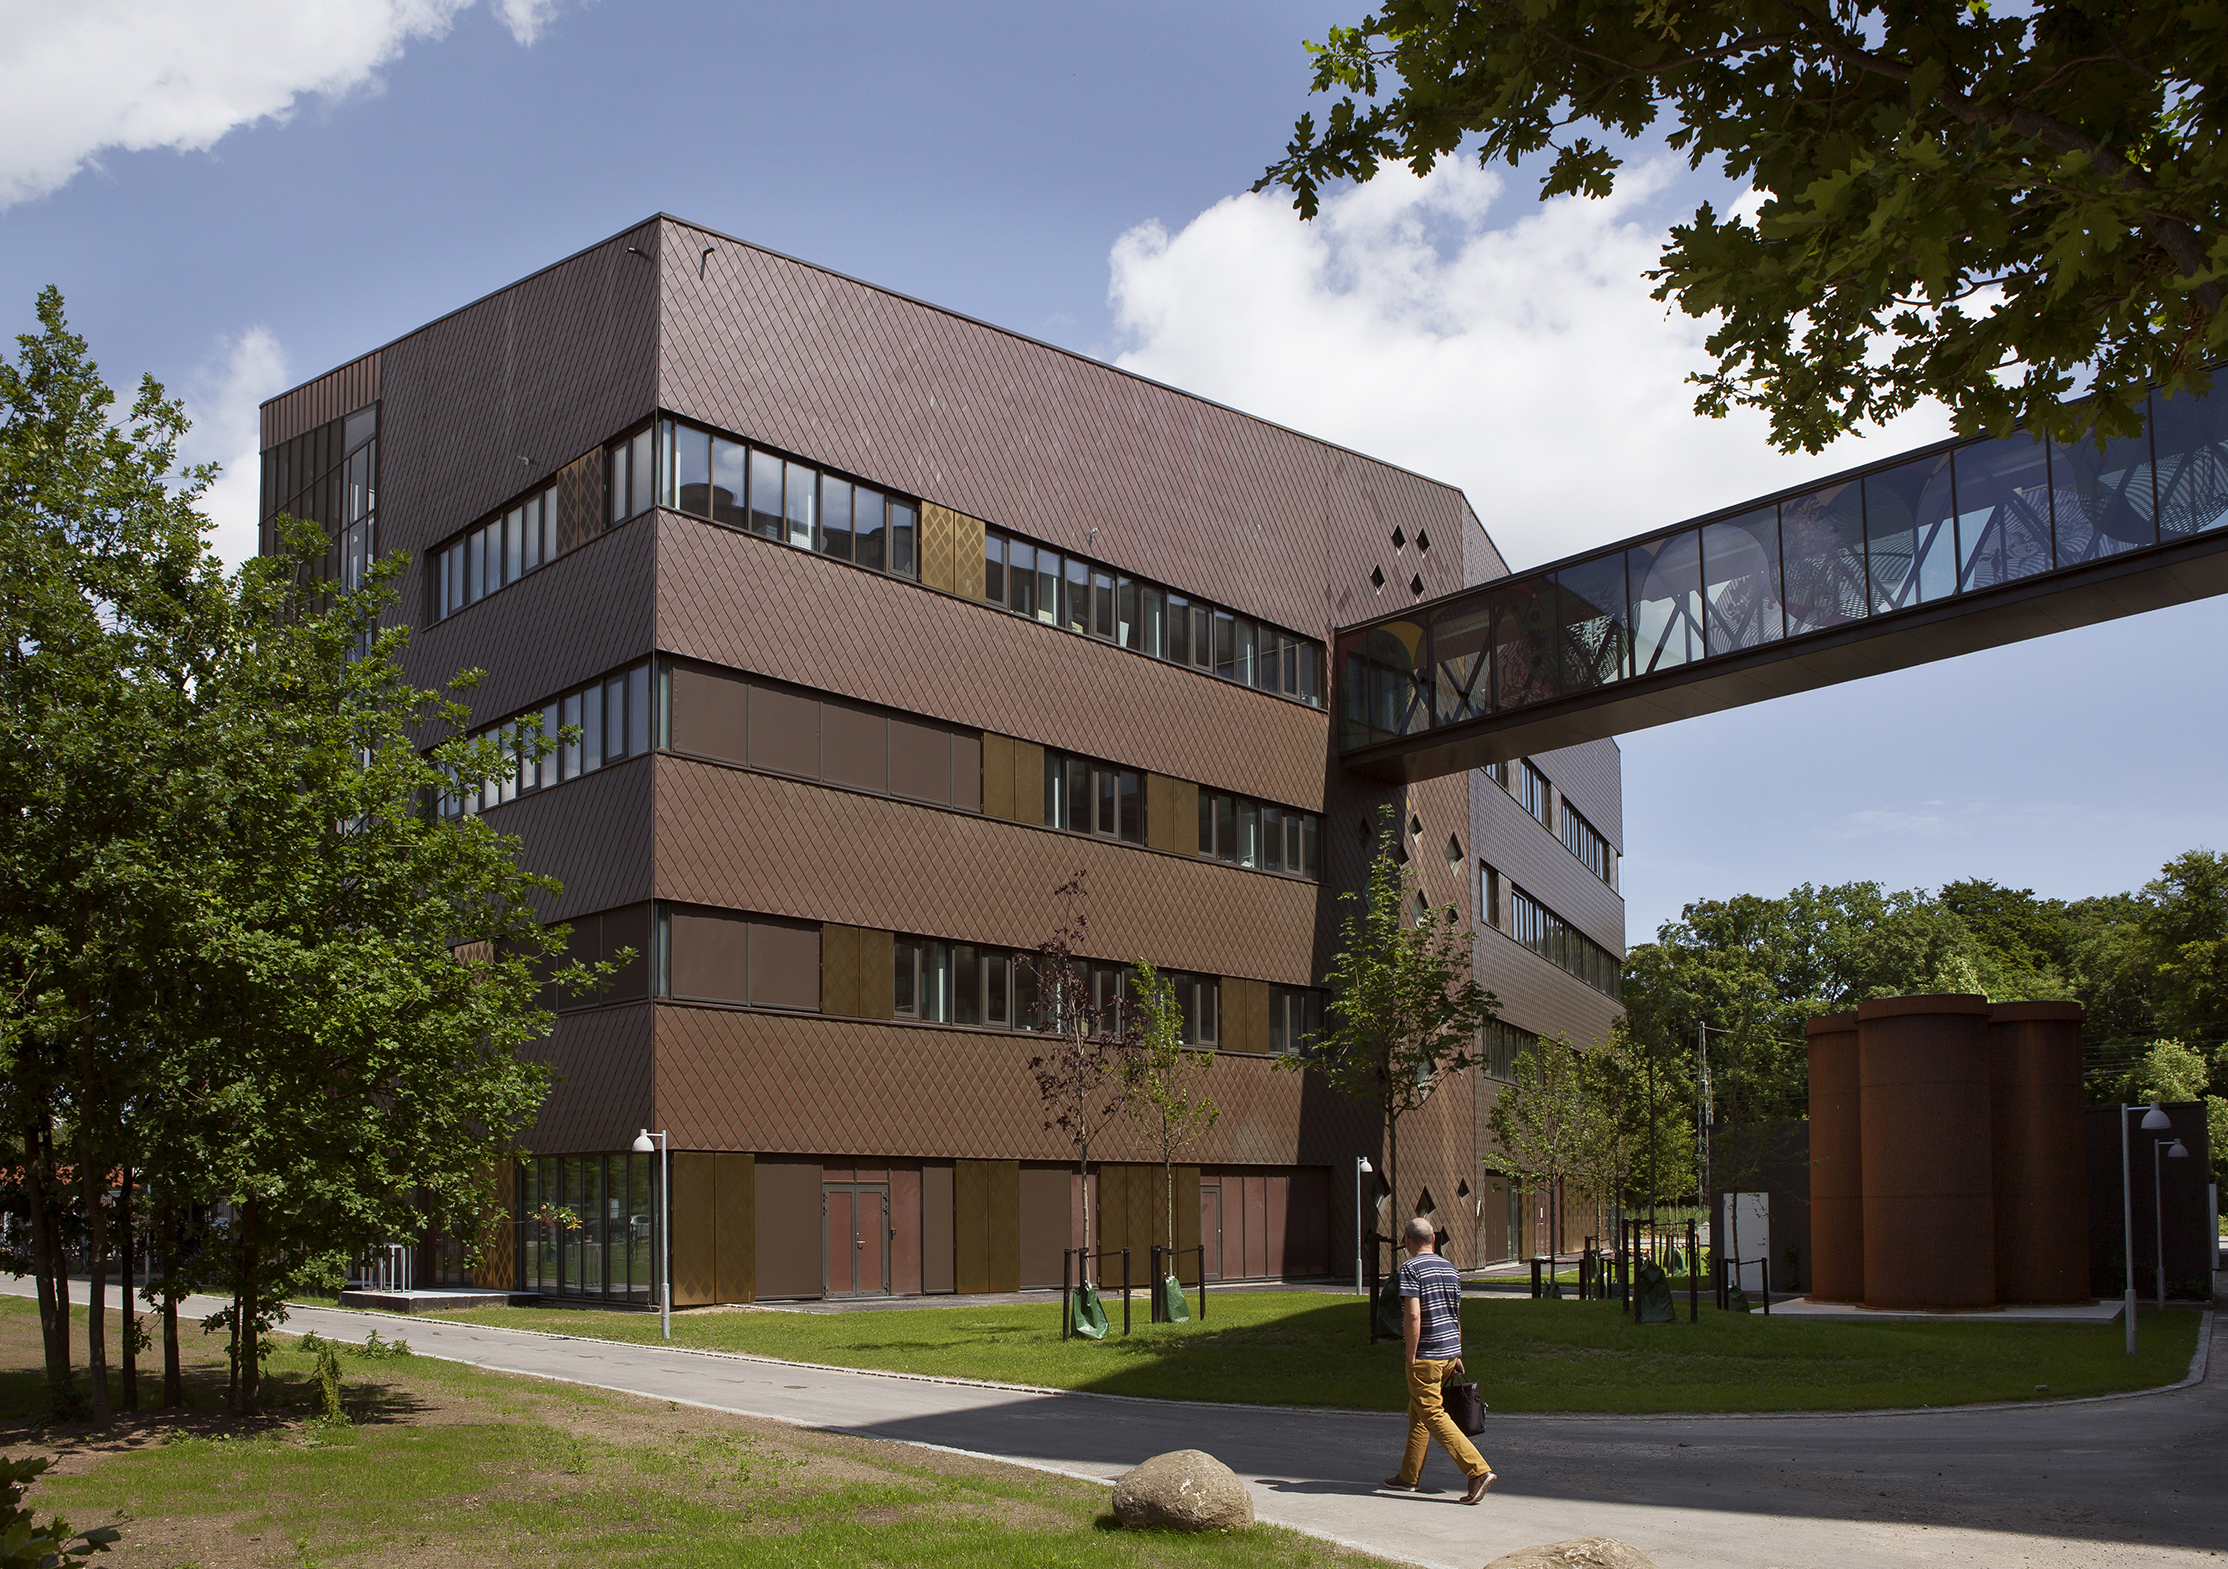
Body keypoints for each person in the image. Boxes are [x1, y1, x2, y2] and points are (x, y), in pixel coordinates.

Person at [1381, 1214, 1494, 1503]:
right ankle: (1408, 1476)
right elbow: (1454, 1314)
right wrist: (1457, 1353)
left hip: (1426, 1356)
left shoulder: (1411, 1268)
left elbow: (1413, 1314)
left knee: (1431, 1413)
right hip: (1447, 1354)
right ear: (1433, 1239)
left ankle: (1477, 1470)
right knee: (1418, 1411)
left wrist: (1411, 1354)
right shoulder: (1451, 1269)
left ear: (1407, 1241)